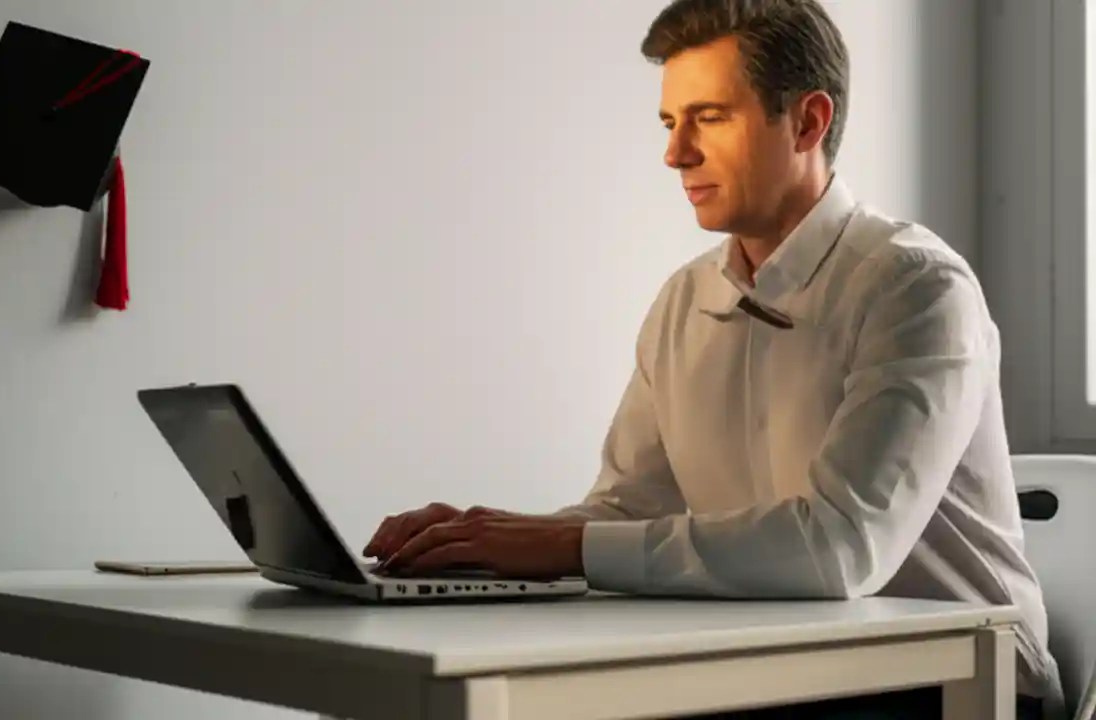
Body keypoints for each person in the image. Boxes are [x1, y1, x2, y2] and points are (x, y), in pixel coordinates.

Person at [363, 1, 1064, 718]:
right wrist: (485, 551)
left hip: (960, 690)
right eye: (671, 123)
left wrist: (563, 545)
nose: (676, 153)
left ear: (808, 122)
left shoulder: (916, 287)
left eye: (710, 117)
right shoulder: (684, 300)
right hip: (784, 672)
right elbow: (627, 512)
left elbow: (841, 550)